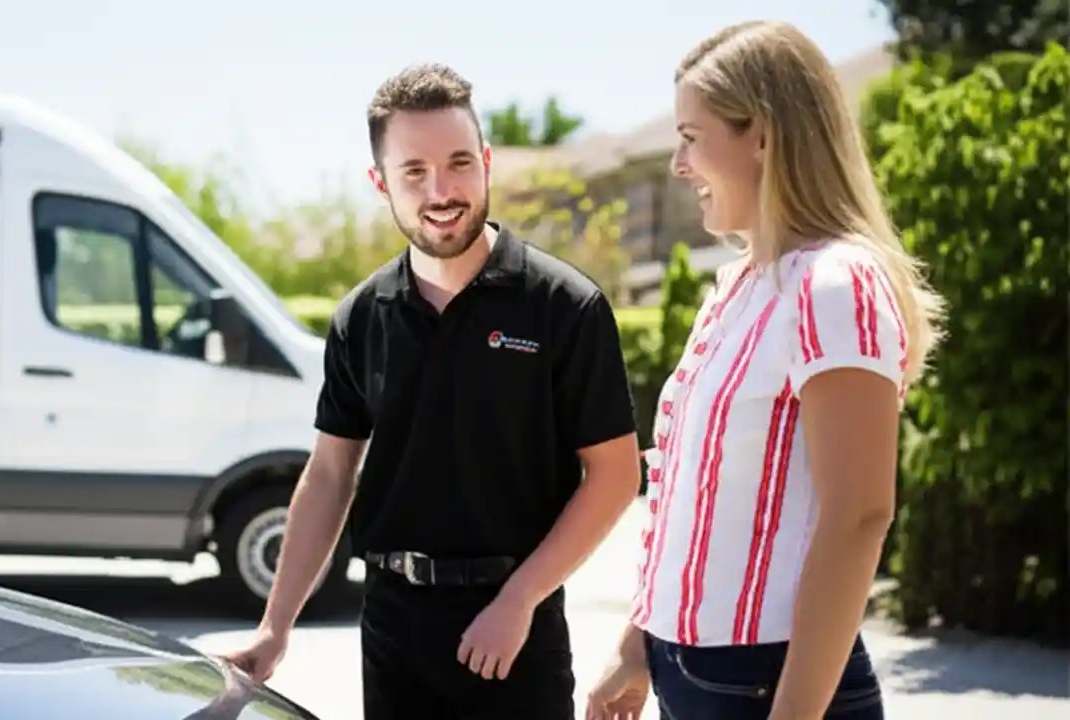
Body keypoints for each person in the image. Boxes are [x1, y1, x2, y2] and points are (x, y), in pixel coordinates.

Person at [221, 62, 642, 719]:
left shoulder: (564, 306)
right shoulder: (360, 317)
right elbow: (330, 474)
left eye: (459, 163)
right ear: (380, 182)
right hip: (393, 632)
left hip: (516, 632)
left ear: (487, 161)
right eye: (414, 172)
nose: (442, 190)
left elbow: (615, 475)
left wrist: (519, 598)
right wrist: (276, 628)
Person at [585, 20, 946, 720]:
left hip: (768, 685)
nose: (678, 165)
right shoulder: (739, 287)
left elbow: (860, 515)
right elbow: (689, 499)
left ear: (763, 135)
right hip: (692, 671)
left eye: (692, 137)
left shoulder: (835, 283)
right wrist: (638, 645)